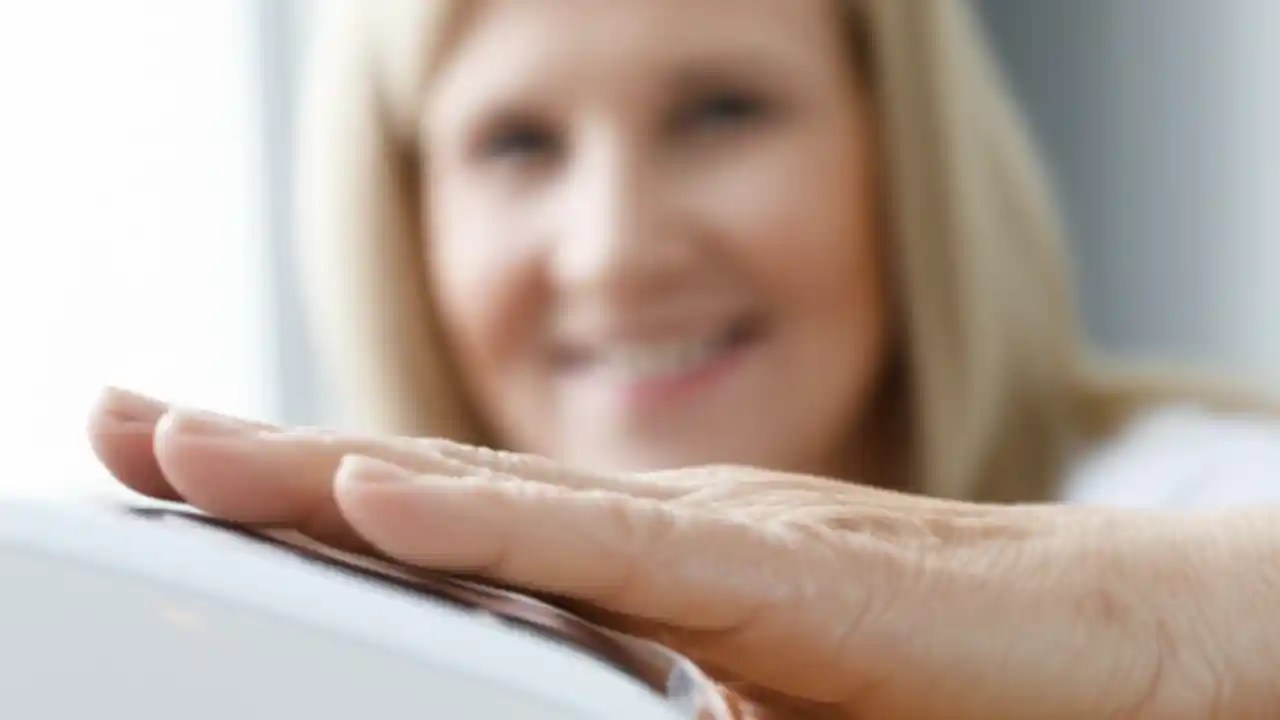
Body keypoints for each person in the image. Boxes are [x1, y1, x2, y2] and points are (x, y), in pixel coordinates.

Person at [88, 0, 1280, 717]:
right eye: (515, 142)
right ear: (405, 220)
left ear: (894, 149)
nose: (612, 250)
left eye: (720, 110)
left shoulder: (1196, 506)